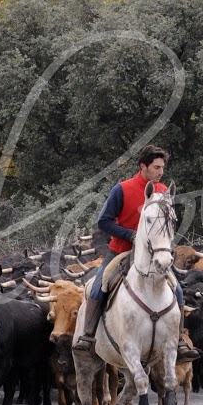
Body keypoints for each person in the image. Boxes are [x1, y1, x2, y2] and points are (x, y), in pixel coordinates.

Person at [75, 144, 195, 360]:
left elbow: (166, 226)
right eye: (156, 167)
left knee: (177, 291)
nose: (161, 171)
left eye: (162, 167)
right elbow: (103, 222)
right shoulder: (122, 189)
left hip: (154, 257)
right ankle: (87, 336)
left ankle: (179, 341)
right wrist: (130, 235)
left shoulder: (163, 191)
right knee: (98, 288)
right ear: (143, 166)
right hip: (121, 251)